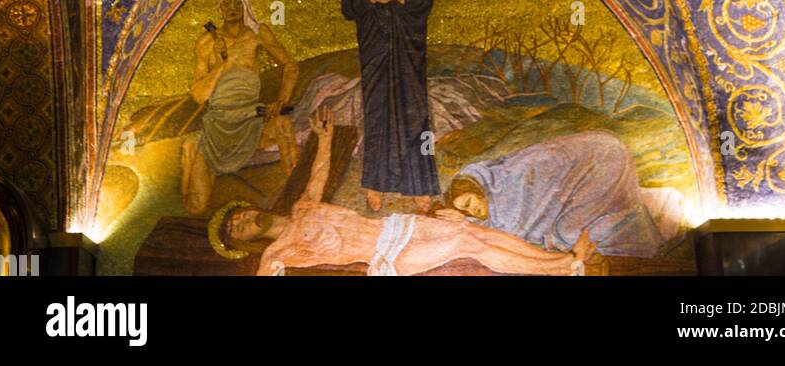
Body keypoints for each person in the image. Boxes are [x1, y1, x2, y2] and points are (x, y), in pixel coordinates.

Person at [210, 109, 583, 276]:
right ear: (247, 242)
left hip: (395, 228)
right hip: (389, 254)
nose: (241, 221)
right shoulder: (278, 250)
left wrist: (324, 138)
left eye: (237, 215)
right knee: (467, 245)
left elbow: (319, 173)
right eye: (237, 229)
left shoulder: (304, 207)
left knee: (472, 232)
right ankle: (568, 270)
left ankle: (565, 260)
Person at [341, 0, 439, 211]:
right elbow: (349, 5)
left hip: (408, 44)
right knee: (378, 111)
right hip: (376, 43)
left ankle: (421, 186)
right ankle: (375, 184)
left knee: (414, 112)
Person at [442, 130, 664, 261]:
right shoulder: (491, 200)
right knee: (571, 234)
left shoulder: (513, 178)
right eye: (466, 211)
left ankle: (633, 229)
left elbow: (517, 225)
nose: (473, 211)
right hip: (578, 179)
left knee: (570, 233)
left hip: (602, 160)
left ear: (479, 190)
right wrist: (466, 220)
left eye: (470, 203)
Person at [180, 0, 299, 215]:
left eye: (237, 2)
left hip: (251, 117)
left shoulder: (257, 34)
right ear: (220, 9)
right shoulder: (206, 42)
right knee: (196, 206)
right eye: (227, 3)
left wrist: (281, 101)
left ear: (245, 6)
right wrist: (221, 65)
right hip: (218, 122)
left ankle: (295, 197)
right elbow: (198, 94)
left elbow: (291, 66)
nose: (232, 7)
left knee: (283, 125)